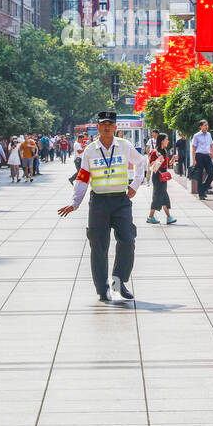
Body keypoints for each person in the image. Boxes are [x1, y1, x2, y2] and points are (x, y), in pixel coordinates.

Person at [58, 112, 145, 302]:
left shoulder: (124, 146)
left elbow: (141, 162)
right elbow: (83, 177)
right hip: (99, 202)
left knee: (128, 240)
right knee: (98, 246)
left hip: (121, 202)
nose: (107, 127)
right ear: (98, 127)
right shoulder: (90, 150)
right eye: (103, 124)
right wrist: (75, 203)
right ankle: (102, 289)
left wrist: (135, 185)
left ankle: (118, 280)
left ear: (115, 128)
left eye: (110, 124)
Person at [145, 133, 177, 225]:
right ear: (162, 141)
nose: (168, 141)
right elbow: (151, 165)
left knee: (163, 196)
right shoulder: (155, 152)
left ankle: (168, 217)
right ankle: (151, 217)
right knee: (158, 196)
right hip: (157, 176)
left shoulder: (164, 150)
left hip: (163, 176)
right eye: (167, 139)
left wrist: (173, 160)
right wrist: (158, 160)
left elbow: (167, 165)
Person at [191, 120, 213, 199]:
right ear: (200, 126)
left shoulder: (209, 135)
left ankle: (203, 189)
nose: (206, 127)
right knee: (200, 175)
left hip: (207, 156)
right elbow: (194, 148)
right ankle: (201, 194)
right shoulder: (196, 136)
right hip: (199, 156)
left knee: (211, 174)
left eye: (207, 125)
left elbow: (211, 146)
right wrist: (194, 160)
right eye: (205, 125)